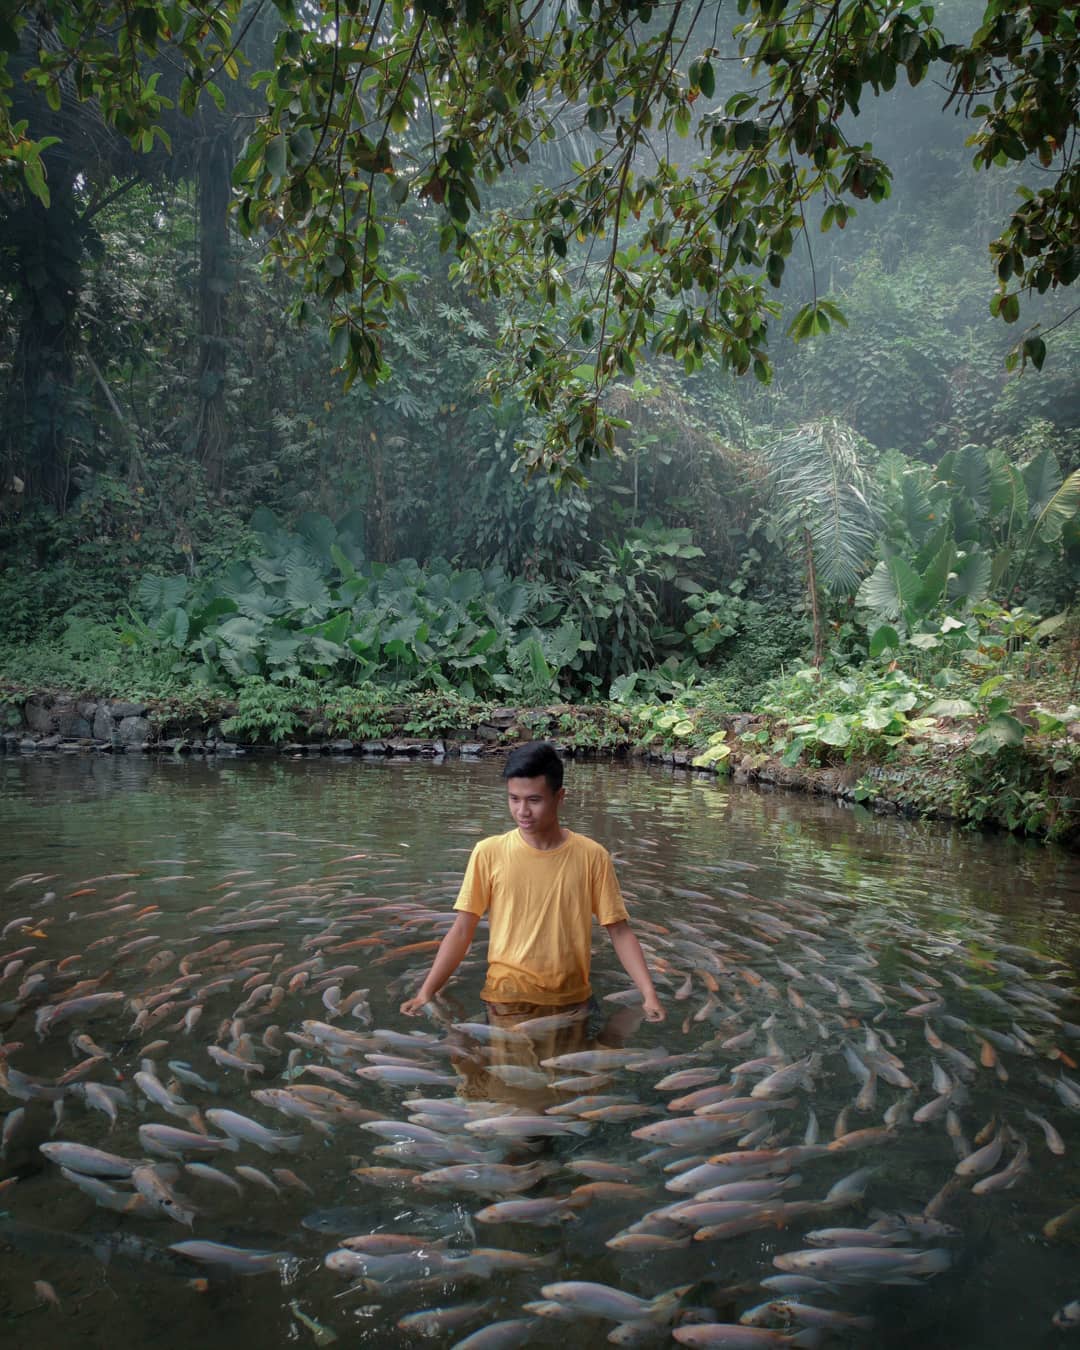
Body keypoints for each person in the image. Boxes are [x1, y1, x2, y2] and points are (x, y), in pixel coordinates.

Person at [399, 741, 665, 1024]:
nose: (522, 811)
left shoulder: (592, 856)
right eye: (514, 799)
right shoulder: (489, 852)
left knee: (578, 1067)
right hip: (505, 1000)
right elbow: (463, 929)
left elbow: (619, 932)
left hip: (572, 999)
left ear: (559, 797)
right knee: (503, 1069)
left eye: (533, 800)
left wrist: (649, 994)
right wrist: (426, 992)